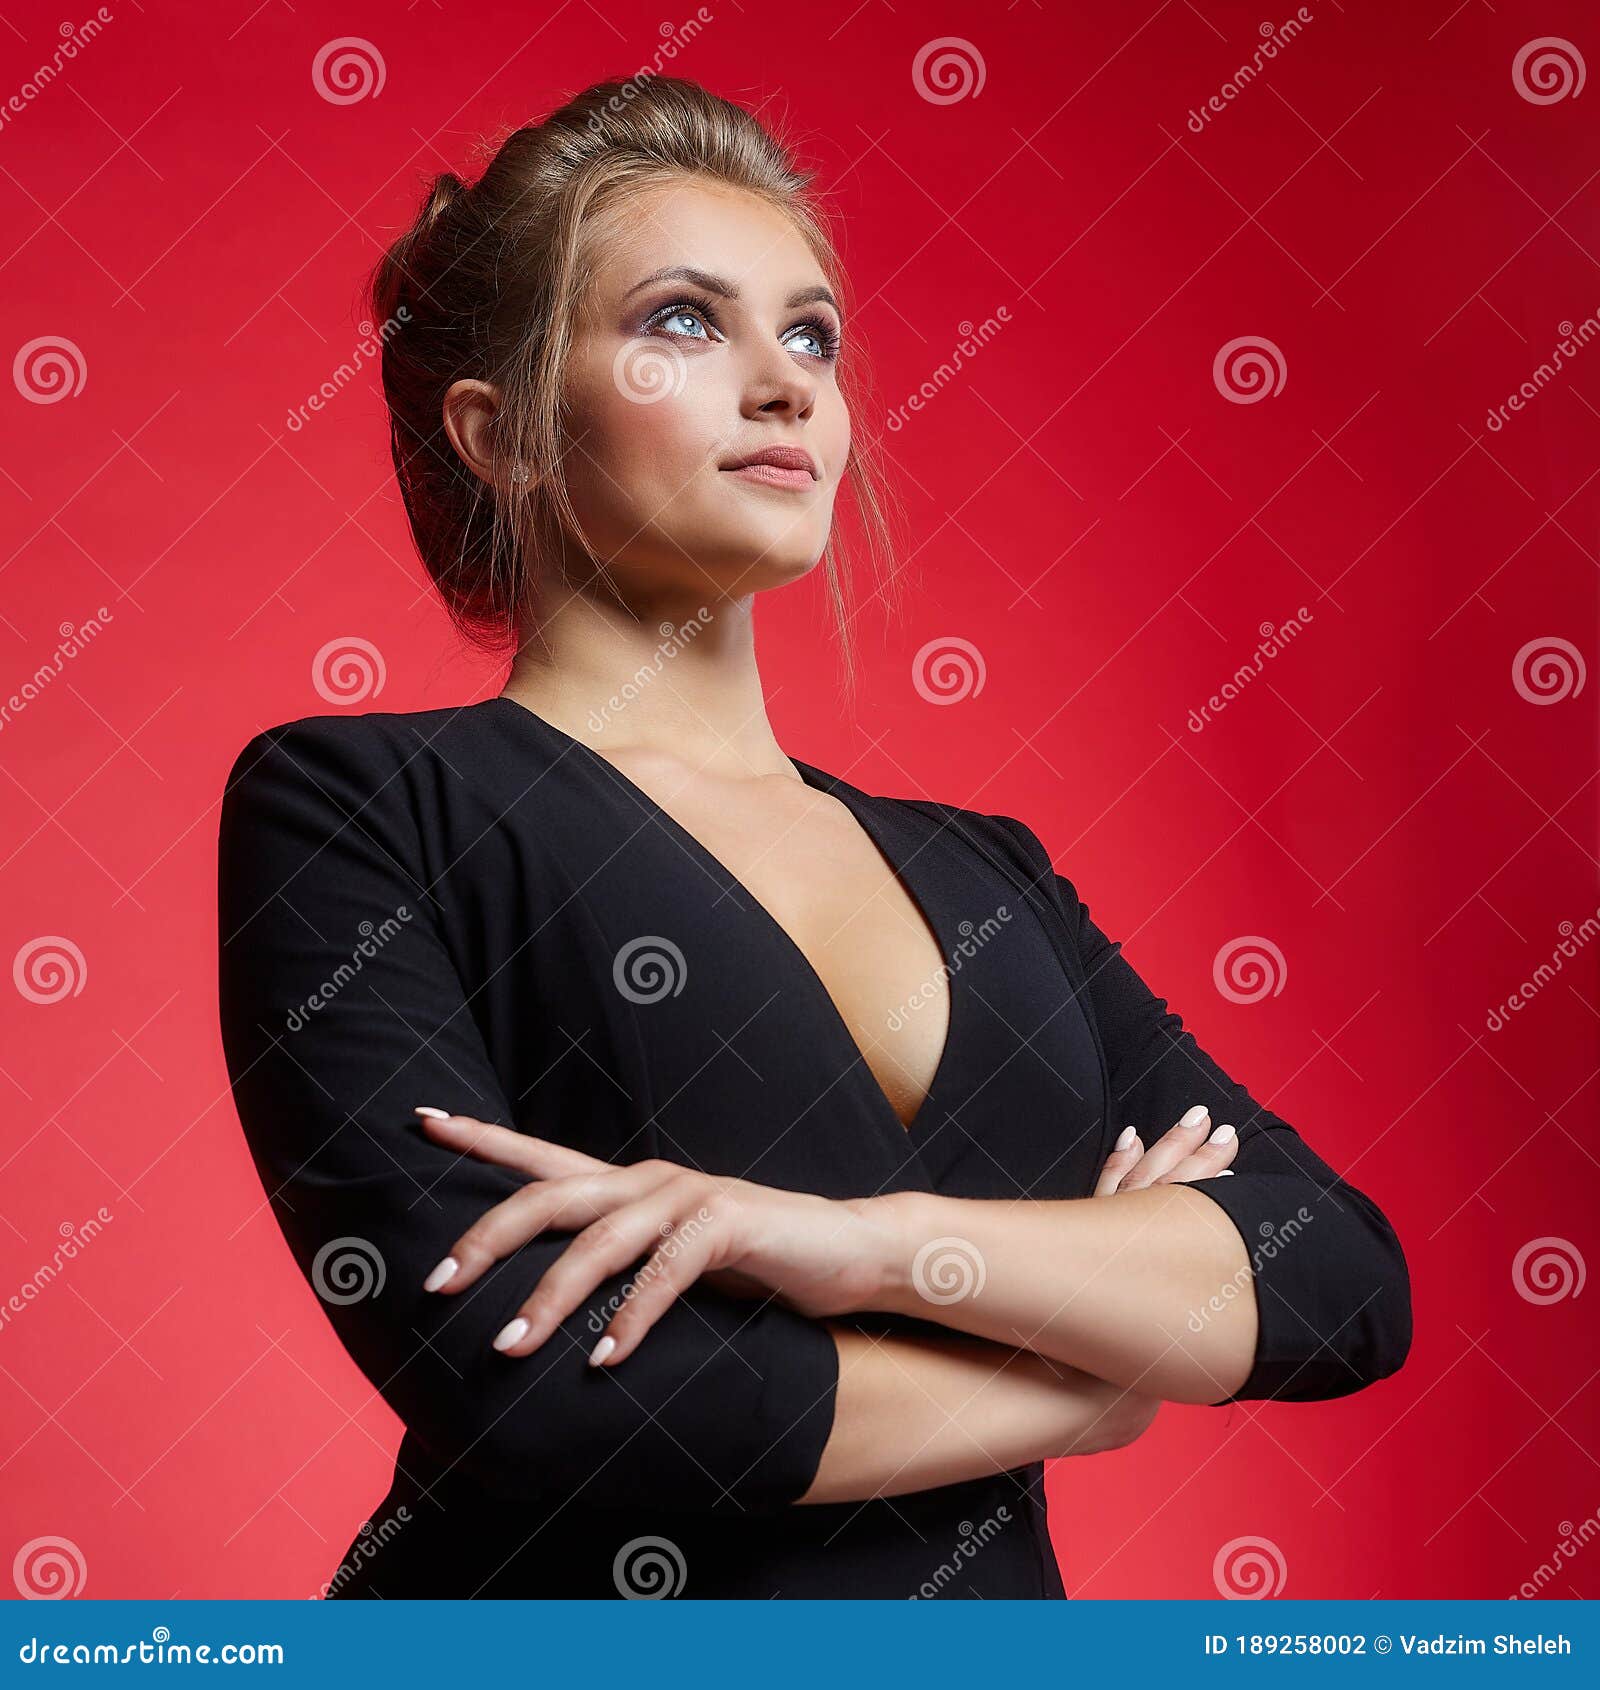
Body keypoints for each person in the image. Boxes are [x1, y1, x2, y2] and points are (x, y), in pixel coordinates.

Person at [216, 76, 1411, 1600]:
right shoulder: (359, 806)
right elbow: (537, 1387)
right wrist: (1092, 1368)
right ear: (502, 433)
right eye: (683, 320)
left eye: (813, 334)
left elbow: (1338, 1275)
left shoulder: (990, 872)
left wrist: (870, 1246)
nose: (785, 384)